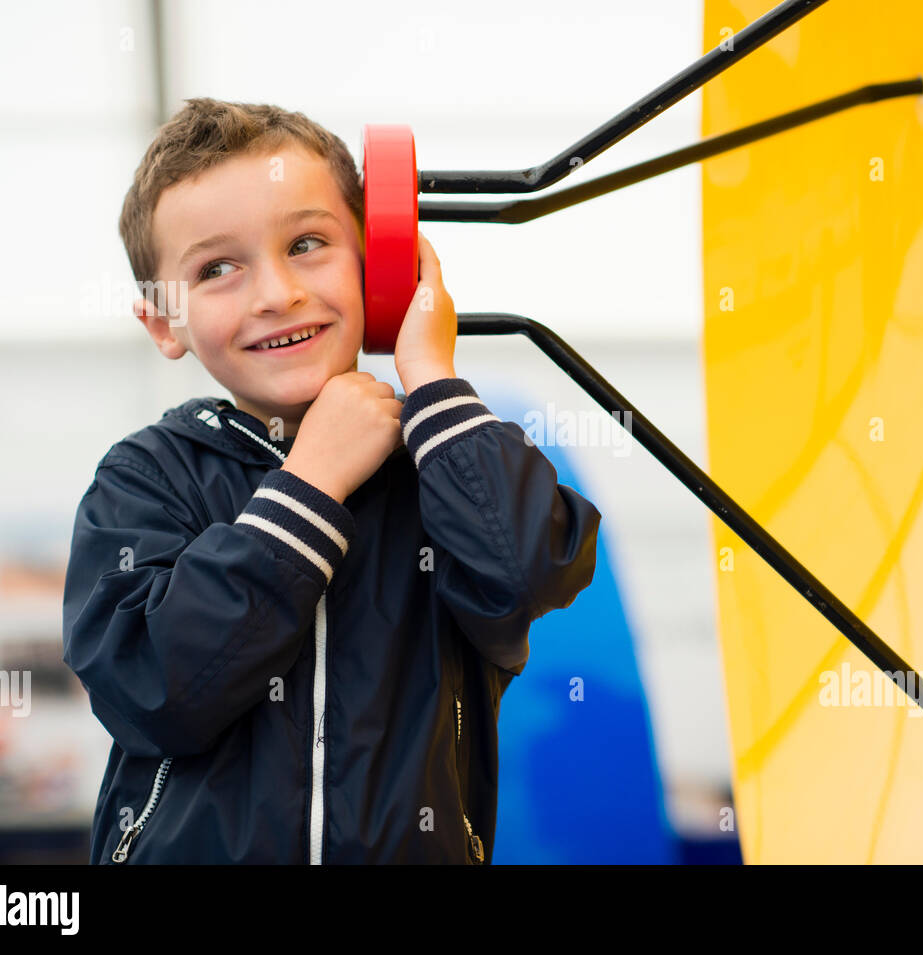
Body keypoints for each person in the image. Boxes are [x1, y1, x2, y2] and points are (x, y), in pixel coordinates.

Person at [61, 97, 601, 864]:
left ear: (380, 267)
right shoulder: (145, 478)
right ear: (163, 323)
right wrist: (311, 483)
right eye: (218, 268)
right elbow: (153, 687)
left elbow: (526, 571)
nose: (276, 293)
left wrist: (430, 375)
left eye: (308, 242)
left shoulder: (444, 466)